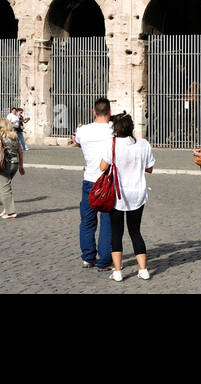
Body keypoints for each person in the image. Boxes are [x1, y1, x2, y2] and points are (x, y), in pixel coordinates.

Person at [98, 112, 155, 282]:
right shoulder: (144, 144)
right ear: (131, 127)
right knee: (135, 231)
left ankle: (117, 272)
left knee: (117, 233)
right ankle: (143, 270)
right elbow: (149, 168)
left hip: (117, 194)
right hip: (138, 192)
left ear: (115, 128)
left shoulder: (112, 144)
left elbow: (102, 167)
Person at [70, 96, 114, 272]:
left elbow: (77, 143)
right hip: (108, 181)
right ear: (109, 112)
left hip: (89, 180)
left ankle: (88, 257)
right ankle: (104, 260)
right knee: (107, 221)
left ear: (93, 112)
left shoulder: (83, 130)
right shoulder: (114, 130)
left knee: (87, 221)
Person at [0, 115, 24, 219]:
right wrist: (21, 165)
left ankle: (11, 212)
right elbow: (20, 151)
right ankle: (6, 208)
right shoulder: (15, 136)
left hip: (5, 164)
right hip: (15, 163)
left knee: (5, 188)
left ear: (0, 127)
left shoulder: (0, 137)